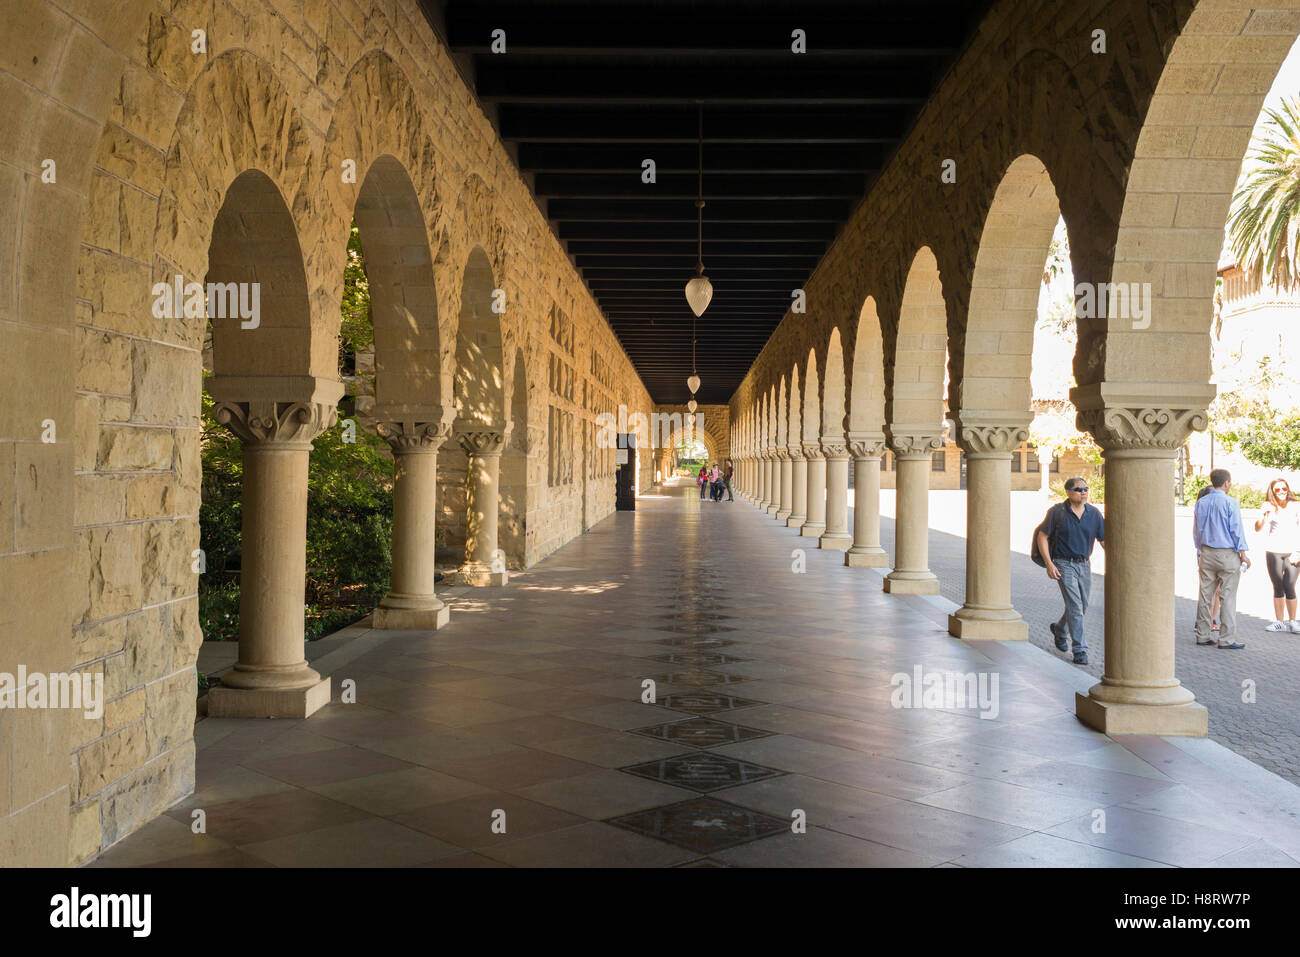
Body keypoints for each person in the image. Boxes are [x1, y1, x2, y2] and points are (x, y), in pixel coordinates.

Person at [1037, 476, 1105, 666]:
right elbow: (1043, 536)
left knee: (1082, 605)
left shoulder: (1094, 514)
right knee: (1075, 606)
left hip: (1084, 564)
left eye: (1085, 488)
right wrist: (1049, 564)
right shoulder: (1057, 512)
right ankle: (1080, 649)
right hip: (1063, 563)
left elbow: (1104, 540)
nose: (1083, 492)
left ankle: (1060, 629)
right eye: (1078, 489)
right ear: (1068, 492)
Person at [1193, 468, 1252, 650]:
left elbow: (1197, 530)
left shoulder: (1201, 503)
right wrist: (1243, 553)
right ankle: (1226, 639)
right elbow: (1236, 530)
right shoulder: (1230, 503)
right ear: (1226, 483)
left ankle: (1203, 635)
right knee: (1228, 596)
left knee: (1205, 595)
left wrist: (1200, 548)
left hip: (1207, 552)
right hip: (1227, 554)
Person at [1254, 477, 1300, 632]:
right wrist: (1263, 514)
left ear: (1288, 489)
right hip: (1273, 551)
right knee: (1278, 586)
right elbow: (1258, 528)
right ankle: (1279, 622)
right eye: (1278, 490)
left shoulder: (1296, 506)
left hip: (1293, 551)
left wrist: (1298, 551)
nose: (1282, 492)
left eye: (1284, 489)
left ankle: (1293, 621)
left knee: (1289, 585)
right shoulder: (1269, 506)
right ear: (1272, 491)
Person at [1196, 484, 1221, 633]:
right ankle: (1205, 620)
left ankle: (1211, 619)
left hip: (1206, 552)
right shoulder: (1203, 511)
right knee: (1209, 589)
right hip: (1206, 552)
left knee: (1213, 589)